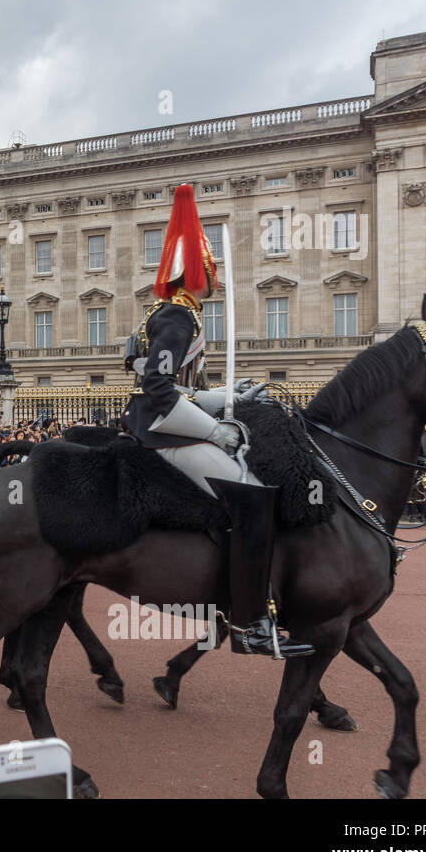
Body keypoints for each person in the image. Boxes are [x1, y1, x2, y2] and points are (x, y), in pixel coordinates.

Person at [120, 184, 311, 660]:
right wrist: (214, 429)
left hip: (164, 421)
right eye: (209, 270)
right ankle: (249, 622)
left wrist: (229, 395)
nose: (215, 279)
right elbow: (160, 391)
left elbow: (178, 387)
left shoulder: (173, 315)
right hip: (164, 431)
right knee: (252, 500)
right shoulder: (178, 318)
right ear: (194, 273)